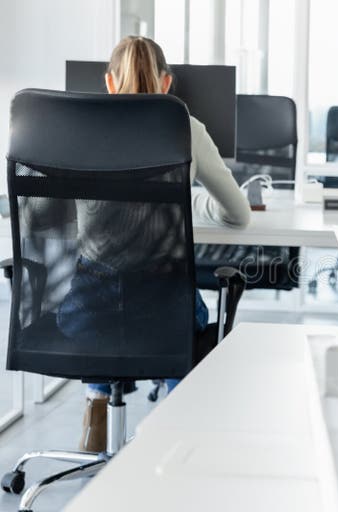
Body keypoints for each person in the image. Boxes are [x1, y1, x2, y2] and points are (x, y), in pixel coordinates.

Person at [75, 36, 250, 452]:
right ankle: (177, 420)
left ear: (109, 83)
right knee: (175, 315)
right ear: (167, 83)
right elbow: (237, 215)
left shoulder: (76, 128)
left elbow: (42, 212)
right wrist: (185, 199)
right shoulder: (186, 128)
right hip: (166, 313)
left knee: (102, 281)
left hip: (86, 314)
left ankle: (95, 411)